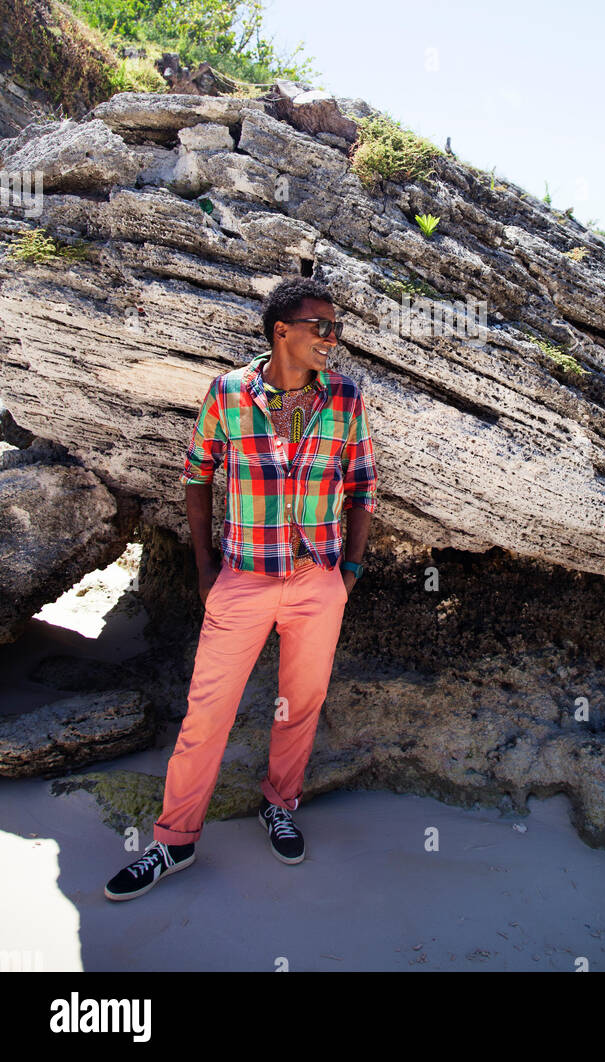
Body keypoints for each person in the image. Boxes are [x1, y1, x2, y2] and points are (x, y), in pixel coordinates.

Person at [104, 276, 377, 901]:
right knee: (207, 713)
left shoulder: (345, 395)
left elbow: (362, 484)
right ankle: (174, 842)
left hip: (318, 580)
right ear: (282, 331)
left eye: (336, 327)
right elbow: (197, 475)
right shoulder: (228, 393)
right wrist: (204, 565)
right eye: (322, 327)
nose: (333, 339)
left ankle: (280, 804)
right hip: (243, 578)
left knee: (300, 705)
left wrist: (350, 570)